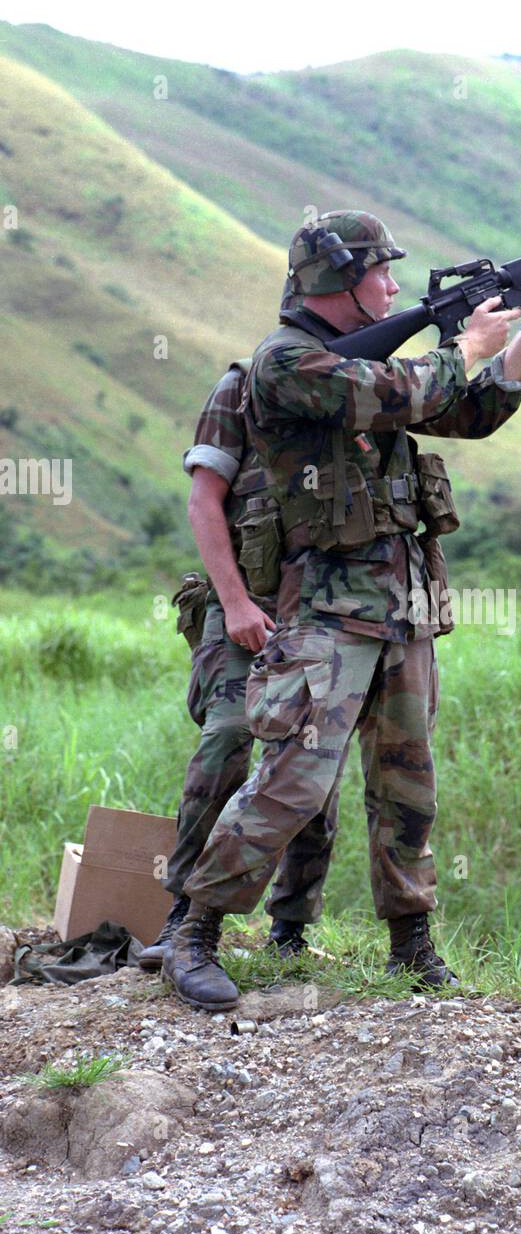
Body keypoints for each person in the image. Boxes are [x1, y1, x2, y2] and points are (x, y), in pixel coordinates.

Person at [163, 209, 521, 1011]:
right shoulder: (284, 363)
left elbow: (469, 413)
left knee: (407, 789)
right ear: (335, 281)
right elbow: (403, 387)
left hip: (403, 604)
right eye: (380, 273)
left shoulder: (372, 364)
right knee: (291, 781)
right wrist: (465, 345)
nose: (393, 285)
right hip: (324, 609)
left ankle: (412, 946)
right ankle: (195, 932)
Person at [138, 363, 343, 971]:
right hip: (239, 608)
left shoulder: (356, 386)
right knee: (227, 737)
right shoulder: (243, 387)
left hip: (318, 617)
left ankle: (291, 926)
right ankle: (184, 914)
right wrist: (233, 604)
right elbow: (203, 500)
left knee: (310, 767)